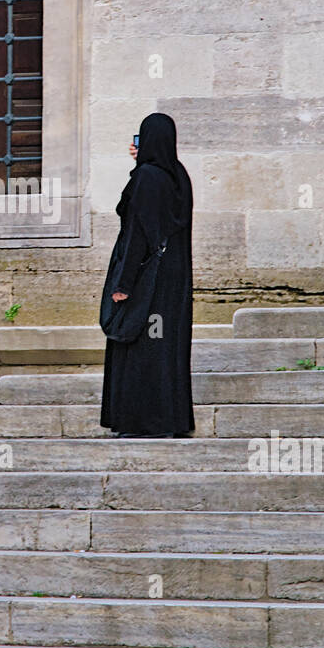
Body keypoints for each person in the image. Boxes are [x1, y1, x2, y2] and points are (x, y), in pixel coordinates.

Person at [100, 112, 194, 437]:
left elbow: (138, 233)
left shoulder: (147, 178)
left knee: (139, 345)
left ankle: (141, 422)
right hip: (173, 280)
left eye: (140, 139)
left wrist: (123, 284)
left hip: (145, 280)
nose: (134, 146)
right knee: (165, 344)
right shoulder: (178, 176)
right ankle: (169, 420)